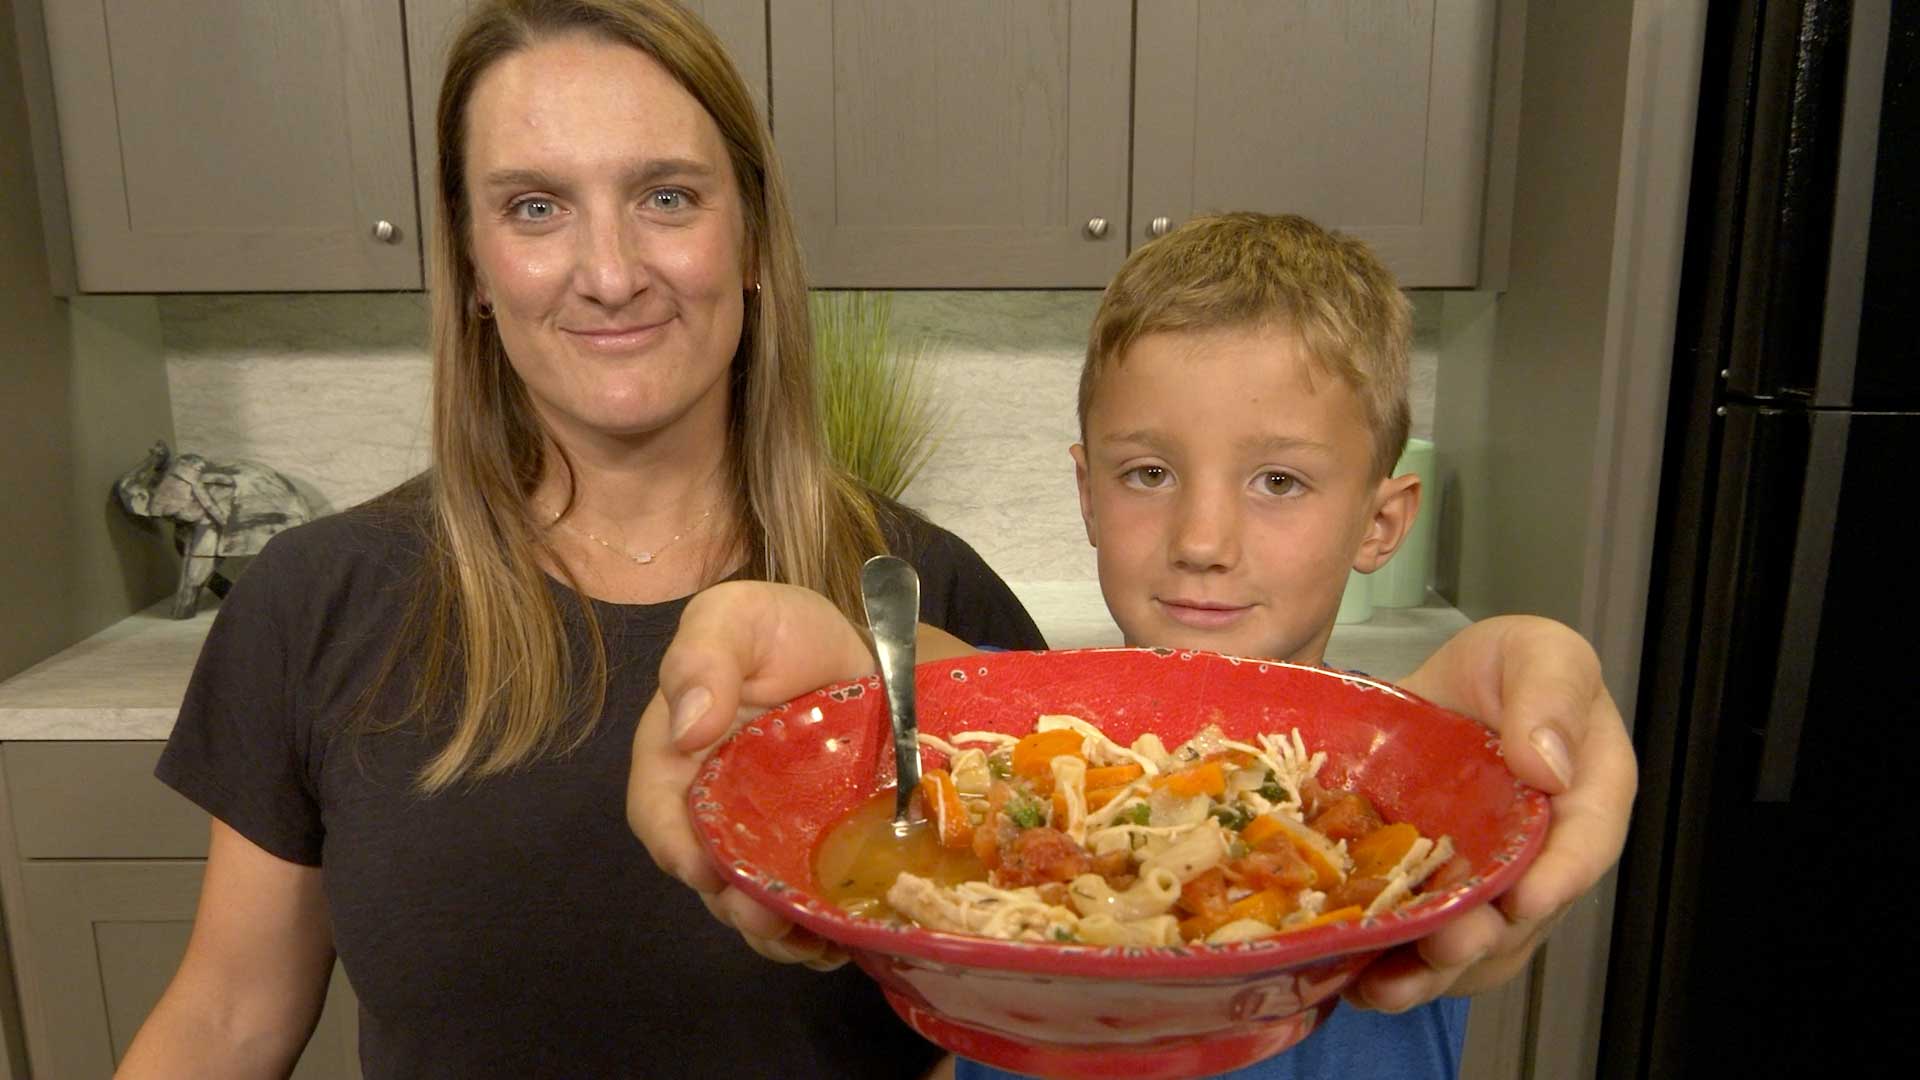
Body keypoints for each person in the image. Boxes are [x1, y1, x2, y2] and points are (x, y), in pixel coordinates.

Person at [120, 2, 1043, 1077]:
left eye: (666, 197)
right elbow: (226, 1015)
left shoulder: (917, 600)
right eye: (536, 206)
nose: (609, 272)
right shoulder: (313, 600)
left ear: (749, 237)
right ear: (471, 261)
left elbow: (1033, 1008)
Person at [629, 213, 1637, 1077]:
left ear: (1381, 522)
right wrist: (825, 661)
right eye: (1149, 474)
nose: (1202, 542)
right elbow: (904, 671)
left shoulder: (1410, 798)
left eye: (1278, 482)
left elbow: (1496, 777)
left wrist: (1529, 685)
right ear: (1084, 493)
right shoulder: (1020, 754)